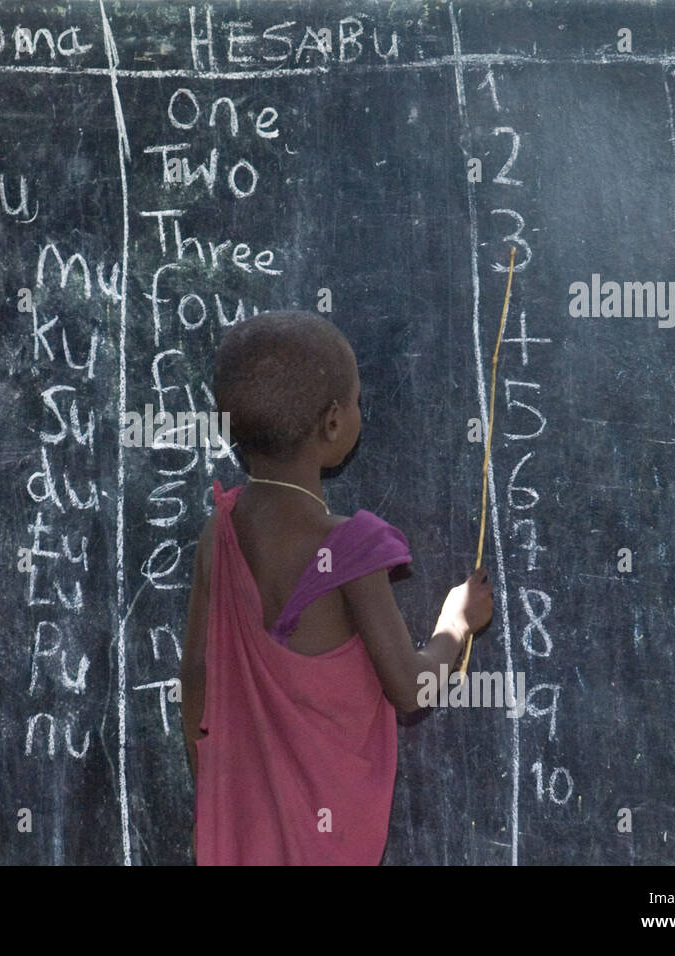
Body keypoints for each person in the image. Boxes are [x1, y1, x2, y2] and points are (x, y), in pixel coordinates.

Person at [180, 310, 493, 865]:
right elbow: (411, 687)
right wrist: (455, 624)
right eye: (354, 400)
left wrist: (213, 785)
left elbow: (198, 674)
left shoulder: (219, 529)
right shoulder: (351, 548)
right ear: (332, 423)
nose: (357, 412)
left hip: (243, 831)